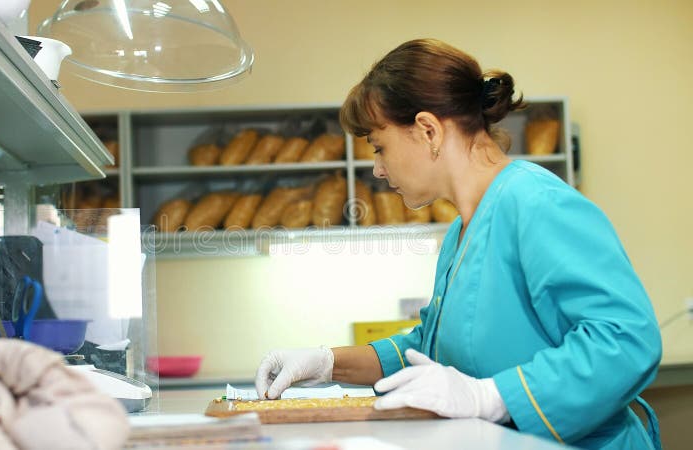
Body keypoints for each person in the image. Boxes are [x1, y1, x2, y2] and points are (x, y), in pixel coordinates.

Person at [254, 38, 662, 450]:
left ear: (428, 130)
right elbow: (428, 348)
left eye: (380, 147)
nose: (377, 168)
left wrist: (491, 398)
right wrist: (327, 363)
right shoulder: (460, 232)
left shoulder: (536, 203)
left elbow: (626, 339)